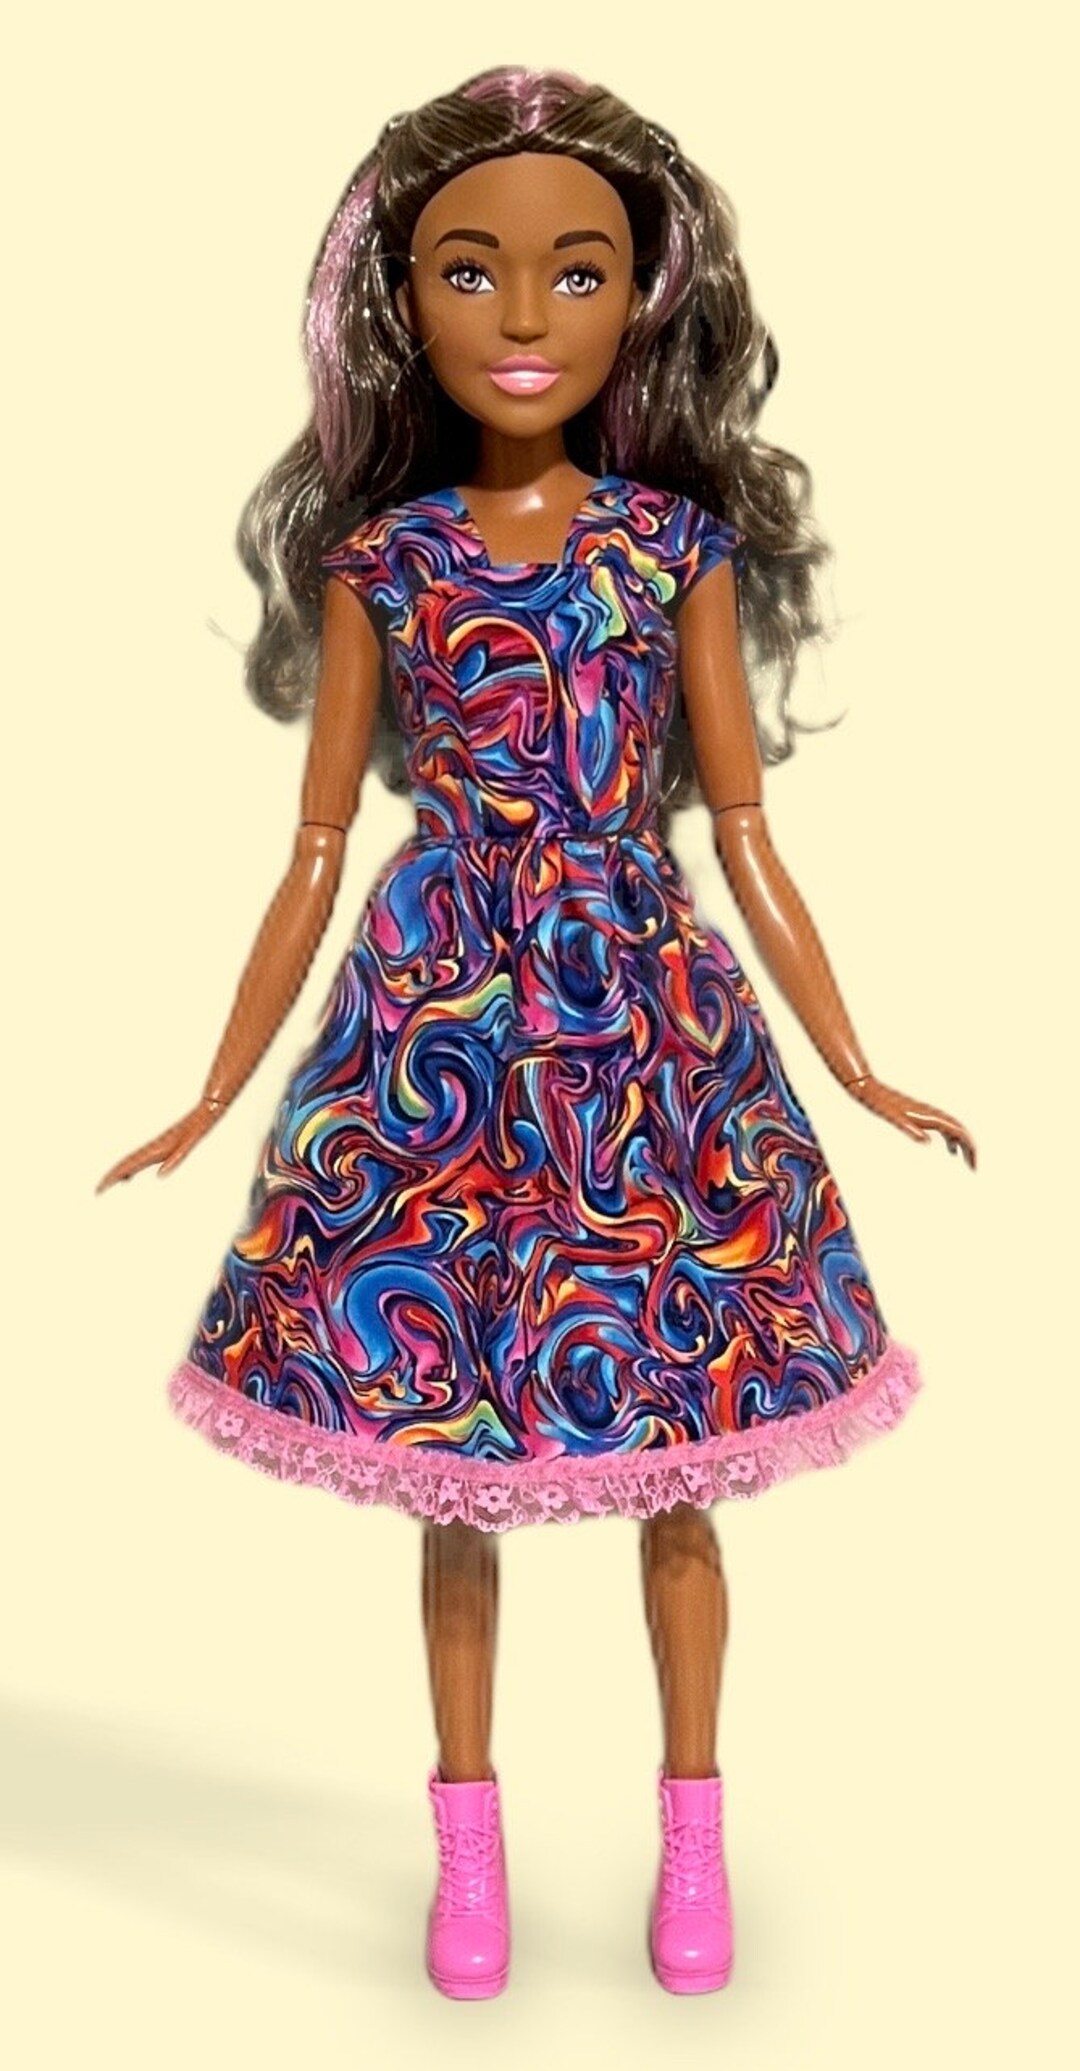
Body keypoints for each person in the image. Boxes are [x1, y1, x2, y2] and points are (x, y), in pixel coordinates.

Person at [97, 64, 976, 2003]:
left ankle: (693, 1833)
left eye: (575, 272)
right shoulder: (386, 565)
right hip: (438, 1026)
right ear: (398, 302)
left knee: (681, 1441)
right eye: (468, 271)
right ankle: (469, 1850)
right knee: (450, 1456)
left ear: (641, 301)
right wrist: (217, 1089)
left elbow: (745, 828)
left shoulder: (670, 551)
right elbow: (316, 847)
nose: (520, 314)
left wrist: (855, 1063)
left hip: (639, 1022)